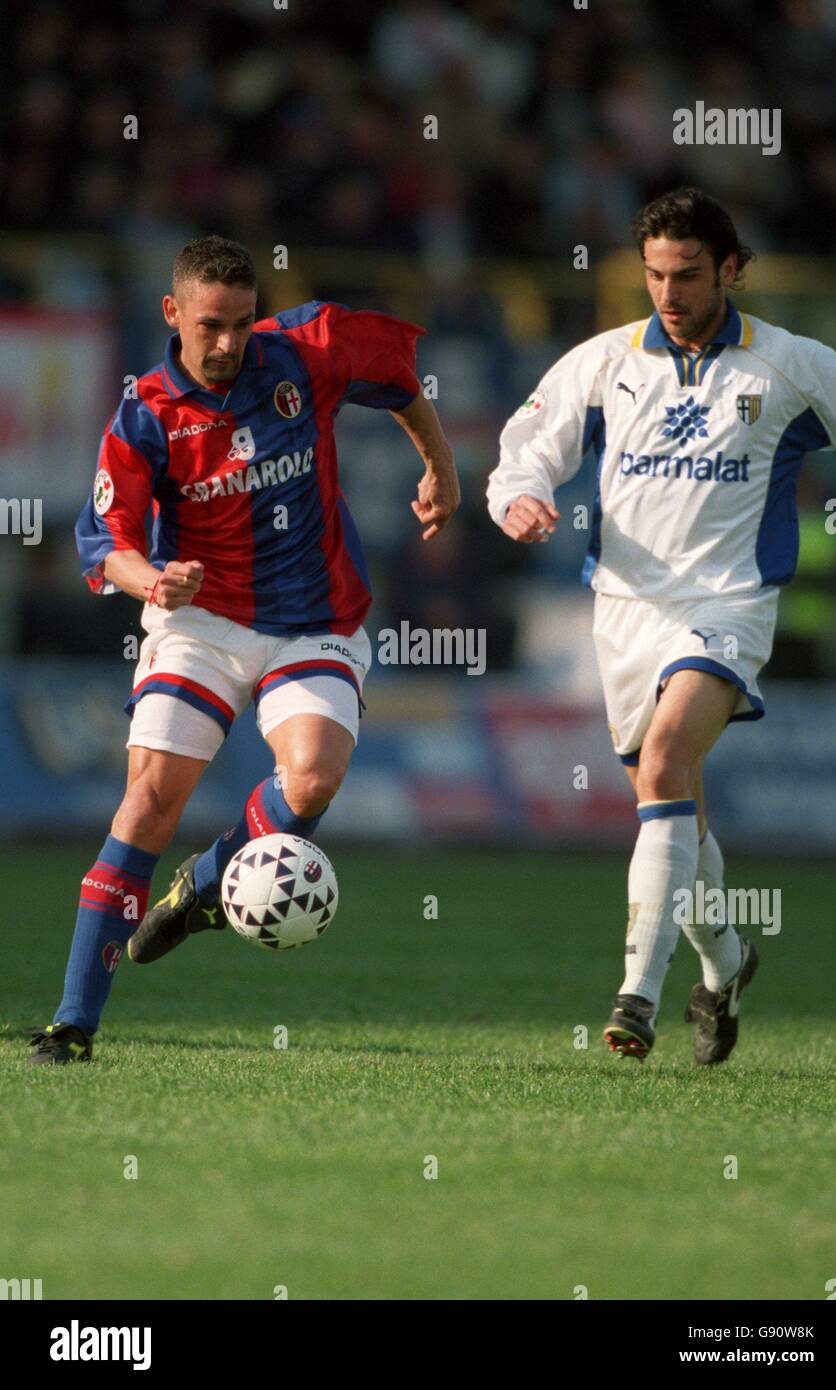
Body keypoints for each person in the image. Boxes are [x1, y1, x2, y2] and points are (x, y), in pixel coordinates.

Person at [28, 234, 459, 1065]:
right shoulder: (145, 414)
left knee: (313, 780)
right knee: (148, 803)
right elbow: (104, 542)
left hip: (316, 619)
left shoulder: (306, 350)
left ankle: (207, 884)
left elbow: (403, 380)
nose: (228, 344)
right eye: (211, 326)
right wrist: (151, 579)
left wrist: (439, 468)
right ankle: (73, 1023)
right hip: (201, 621)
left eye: (241, 324)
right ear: (173, 313)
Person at [488, 187, 836, 1063]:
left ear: (730, 270)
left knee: (665, 763)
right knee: (675, 815)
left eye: (687, 274)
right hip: (623, 612)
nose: (667, 292)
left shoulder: (788, 365)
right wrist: (521, 500)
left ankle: (635, 999)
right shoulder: (604, 363)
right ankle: (725, 964)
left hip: (728, 607)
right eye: (655, 274)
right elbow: (525, 451)